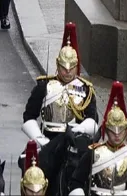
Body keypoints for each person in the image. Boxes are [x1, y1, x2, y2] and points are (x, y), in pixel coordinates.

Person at [21, 24, 98, 195]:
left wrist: (80, 128)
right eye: (64, 67)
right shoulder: (44, 86)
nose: (68, 72)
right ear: (57, 64)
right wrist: (39, 138)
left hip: (74, 141)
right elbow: (29, 116)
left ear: (77, 66)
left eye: (71, 67)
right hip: (48, 139)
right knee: (29, 166)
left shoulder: (86, 89)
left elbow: (93, 119)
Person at [68, 83, 127, 196]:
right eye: (113, 130)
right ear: (107, 130)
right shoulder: (93, 153)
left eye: (121, 130)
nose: (117, 135)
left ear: (126, 130)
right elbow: (76, 182)